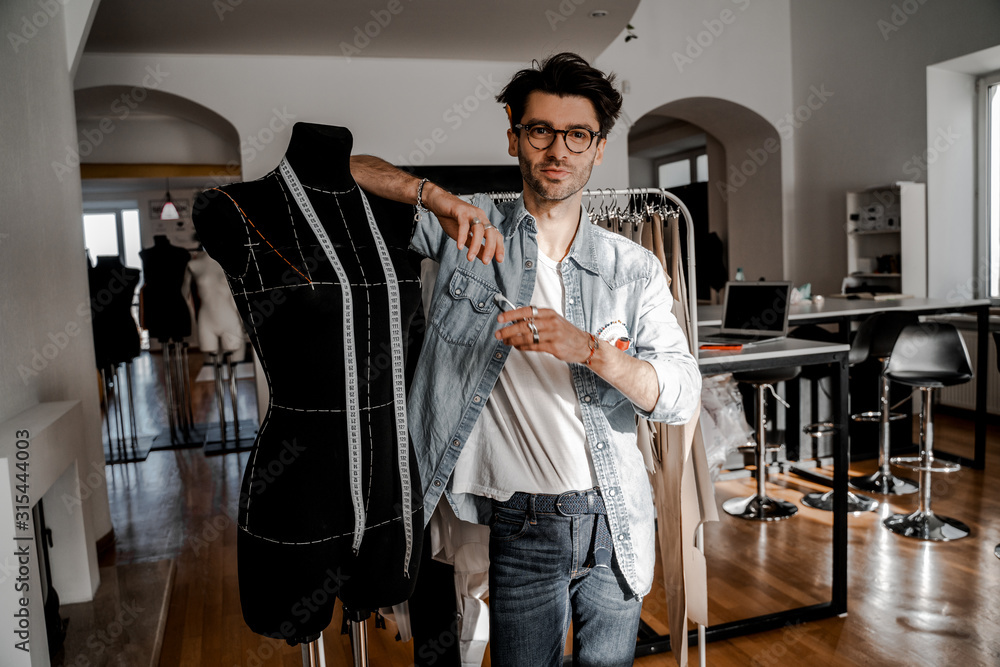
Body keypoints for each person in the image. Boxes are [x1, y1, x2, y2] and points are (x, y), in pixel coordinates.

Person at [352, 52, 701, 667]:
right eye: (540, 130)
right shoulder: (467, 230)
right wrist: (434, 198)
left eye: (577, 136)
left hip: (616, 522)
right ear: (514, 136)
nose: (557, 150)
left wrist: (590, 349)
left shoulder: (632, 268)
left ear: (597, 149)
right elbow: (336, 172)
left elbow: (679, 394)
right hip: (521, 524)